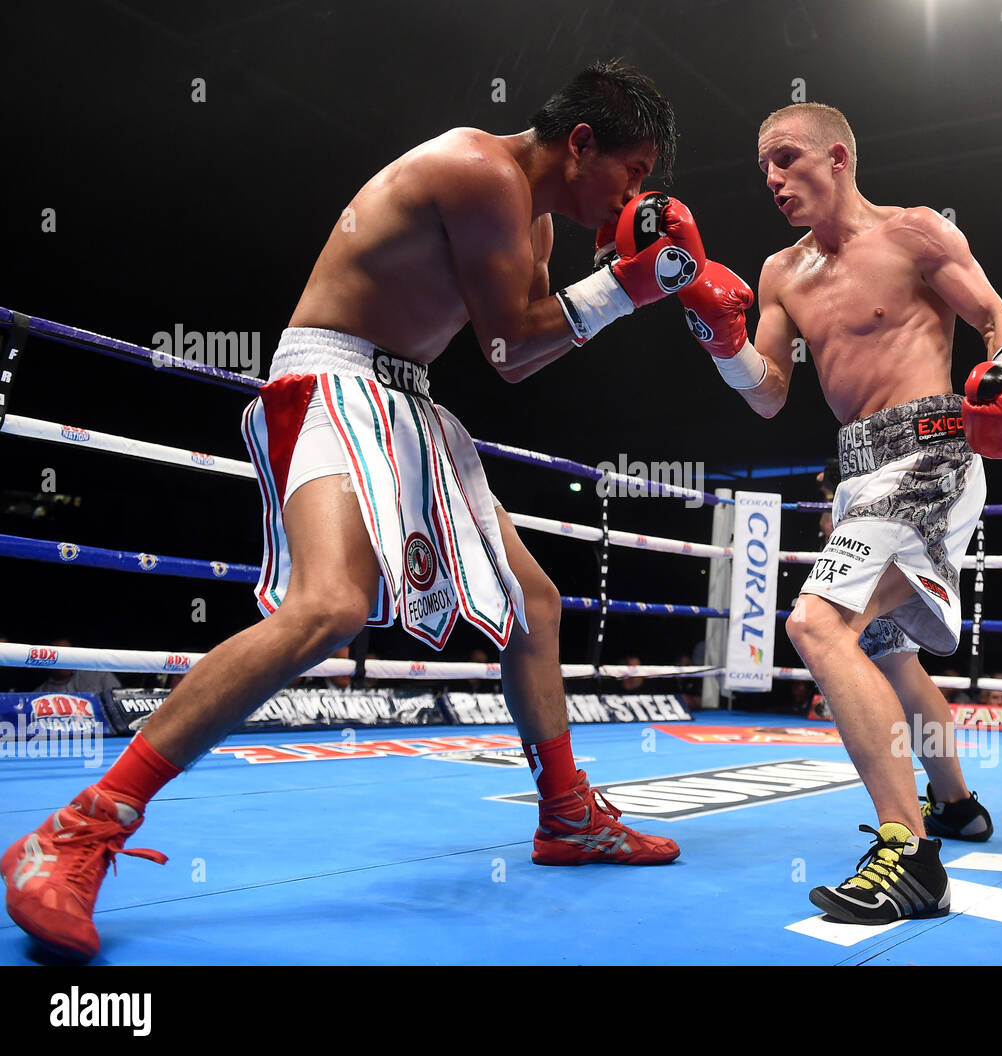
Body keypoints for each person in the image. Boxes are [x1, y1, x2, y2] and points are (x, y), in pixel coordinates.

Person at [3, 60, 695, 963]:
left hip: (407, 399)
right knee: (328, 607)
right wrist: (631, 287)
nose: (636, 194)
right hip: (332, 377)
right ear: (581, 143)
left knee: (536, 606)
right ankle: (78, 829)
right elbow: (507, 343)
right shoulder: (480, 169)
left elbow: (516, 361)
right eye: (634, 172)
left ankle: (567, 816)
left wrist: (616, 281)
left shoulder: (533, 229)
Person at [677, 102, 1002, 924]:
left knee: (815, 624)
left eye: (785, 157)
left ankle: (910, 855)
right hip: (856, 471)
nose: (771, 177)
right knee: (886, 655)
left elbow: (996, 319)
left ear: (837, 156)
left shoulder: (914, 233)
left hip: (932, 449)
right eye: (762, 165)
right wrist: (716, 332)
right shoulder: (779, 273)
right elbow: (769, 396)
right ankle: (957, 805)